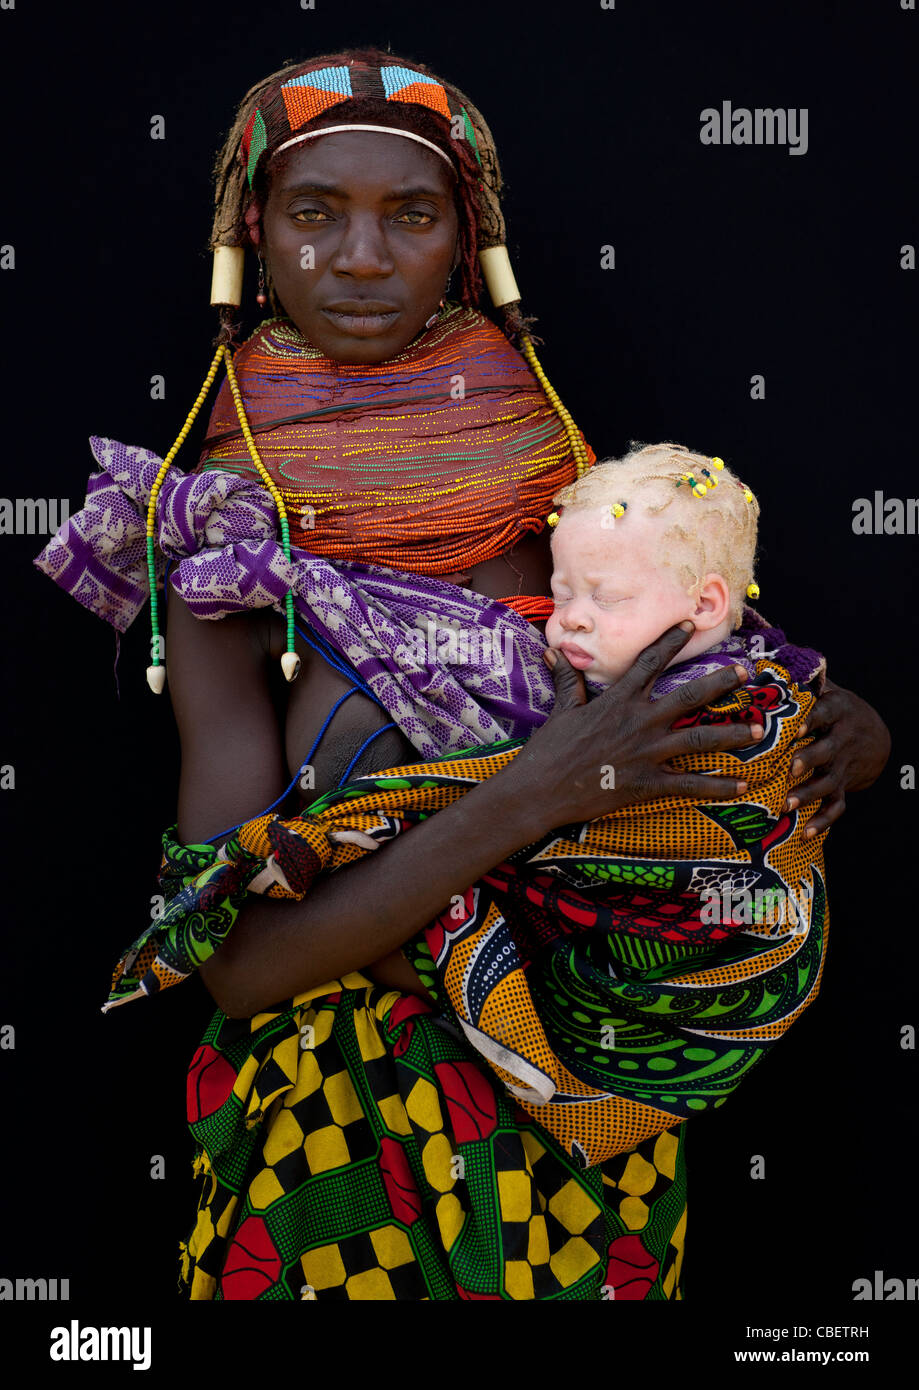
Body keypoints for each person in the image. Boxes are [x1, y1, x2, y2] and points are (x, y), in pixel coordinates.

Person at [34, 48, 889, 1300]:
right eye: (317, 213)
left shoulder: (576, 488)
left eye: (412, 214)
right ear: (253, 233)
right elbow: (241, 961)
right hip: (337, 1124)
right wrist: (534, 793)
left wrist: (843, 730)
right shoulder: (225, 539)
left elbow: (719, 710)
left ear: (466, 237)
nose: (364, 258)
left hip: (589, 1108)